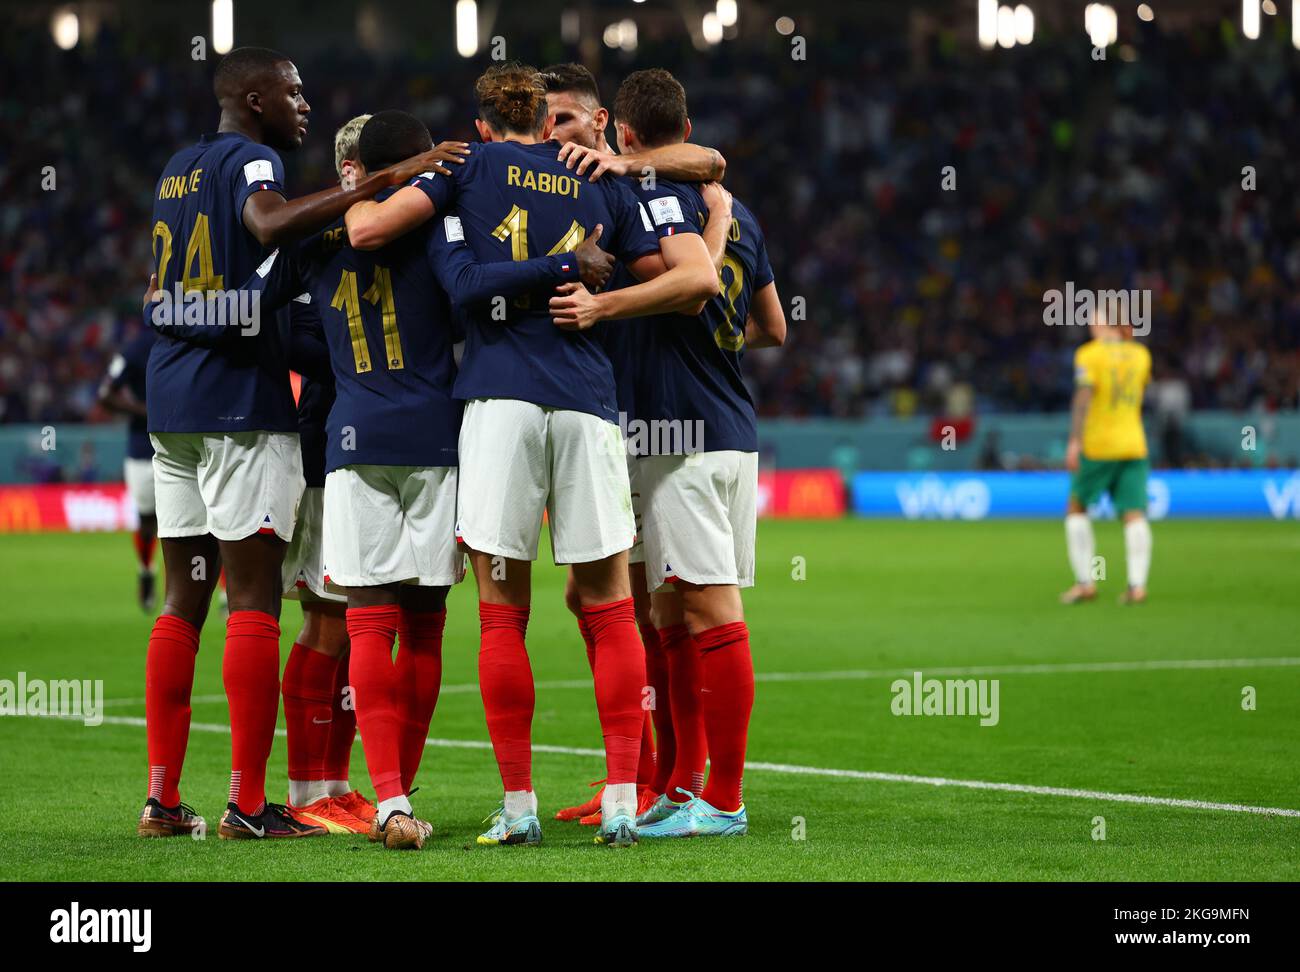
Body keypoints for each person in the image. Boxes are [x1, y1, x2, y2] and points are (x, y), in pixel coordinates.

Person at [345, 63, 719, 847]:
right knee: (613, 604)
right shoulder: (603, 177)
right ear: (550, 123)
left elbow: (377, 233)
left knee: (501, 615)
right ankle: (624, 796)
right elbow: (692, 269)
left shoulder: (466, 168)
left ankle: (519, 806)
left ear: (482, 124)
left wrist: (410, 173)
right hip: (587, 403)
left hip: (499, 403)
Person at [137, 45, 466, 841]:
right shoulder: (253, 163)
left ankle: (161, 798)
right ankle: (249, 806)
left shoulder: (177, 170)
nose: (303, 104)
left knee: (183, 599)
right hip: (238, 411)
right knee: (253, 602)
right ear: (252, 99)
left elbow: (176, 293)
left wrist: (172, 315)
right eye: (290, 90)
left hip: (171, 404)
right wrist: (396, 177)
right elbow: (271, 226)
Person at [549, 68, 787, 838]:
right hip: (717, 423)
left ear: (620, 131)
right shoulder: (732, 207)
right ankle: (673, 781)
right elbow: (774, 327)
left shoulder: (653, 199)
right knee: (662, 608)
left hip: (681, 426)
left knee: (705, 606)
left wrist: (616, 305)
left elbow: (692, 284)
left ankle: (722, 797)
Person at [1061, 317, 1154, 606]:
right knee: (1134, 513)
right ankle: (1137, 586)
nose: (1091, 325)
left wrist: (1075, 440)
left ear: (1105, 324)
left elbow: (1083, 398)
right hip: (1133, 444)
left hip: (1099, 445)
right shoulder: (1141, 355)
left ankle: (1086, 582)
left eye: (1095, 320)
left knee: (1076, 508)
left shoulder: (1089, 354)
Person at [98, 326, 158, 612]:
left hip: (187, 442)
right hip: (144, 449)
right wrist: (146, 412)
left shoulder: (194, 334)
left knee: (204, 520)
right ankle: (146, 571)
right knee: (148, 522)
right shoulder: (136, 348)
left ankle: (219, 592)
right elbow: (105, 394)